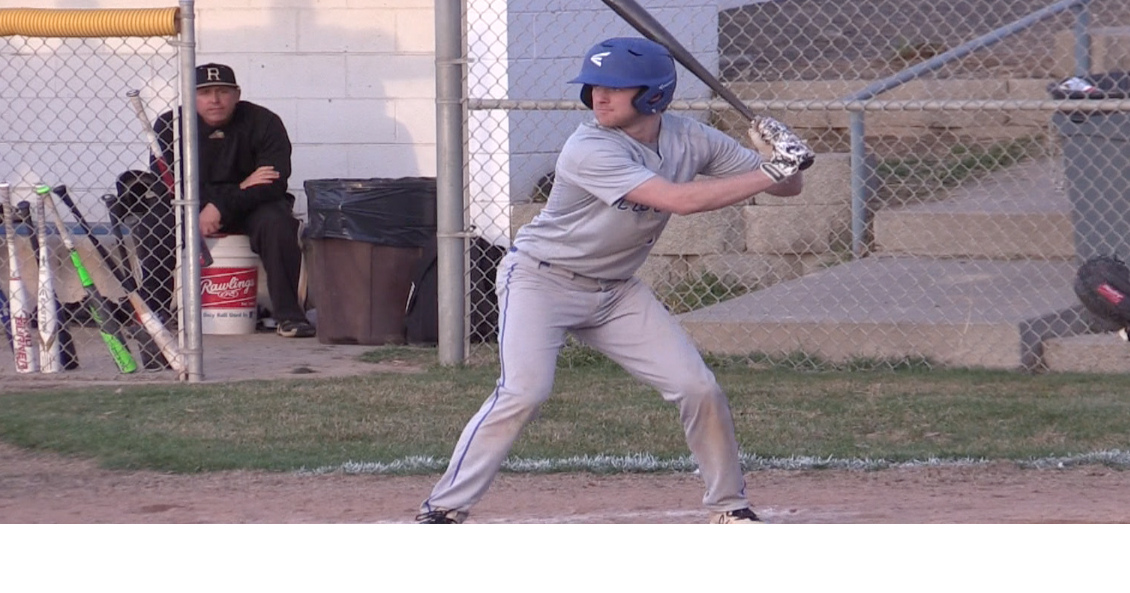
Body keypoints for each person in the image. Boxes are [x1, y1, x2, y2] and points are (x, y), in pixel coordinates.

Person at [416, 37, 813, 524]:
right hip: (542, 281)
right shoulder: (588, 147)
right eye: (594, 87)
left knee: (697, 387)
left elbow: (788, 187)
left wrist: (785, 156)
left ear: (652, 96)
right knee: (524, 391)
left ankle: (730, 507)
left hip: (616, 291)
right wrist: (774, 168)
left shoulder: (691, 137)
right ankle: (444, 508)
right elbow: (681, 200)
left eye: (614, 88)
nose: (597, 97)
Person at [143, 63, 315, 338]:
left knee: (278, 222)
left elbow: (273, 183)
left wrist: (221, 205)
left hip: (251, 206)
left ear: (237, 94)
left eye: (223, 91)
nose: (214, 100)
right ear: (190, 97)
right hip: (195, 206)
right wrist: (240, 186)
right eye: (205, 92)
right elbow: (170, 185)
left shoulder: (264, 122)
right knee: (155, 221)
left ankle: (289, 316)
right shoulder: (170, 125)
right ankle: (156, 313)